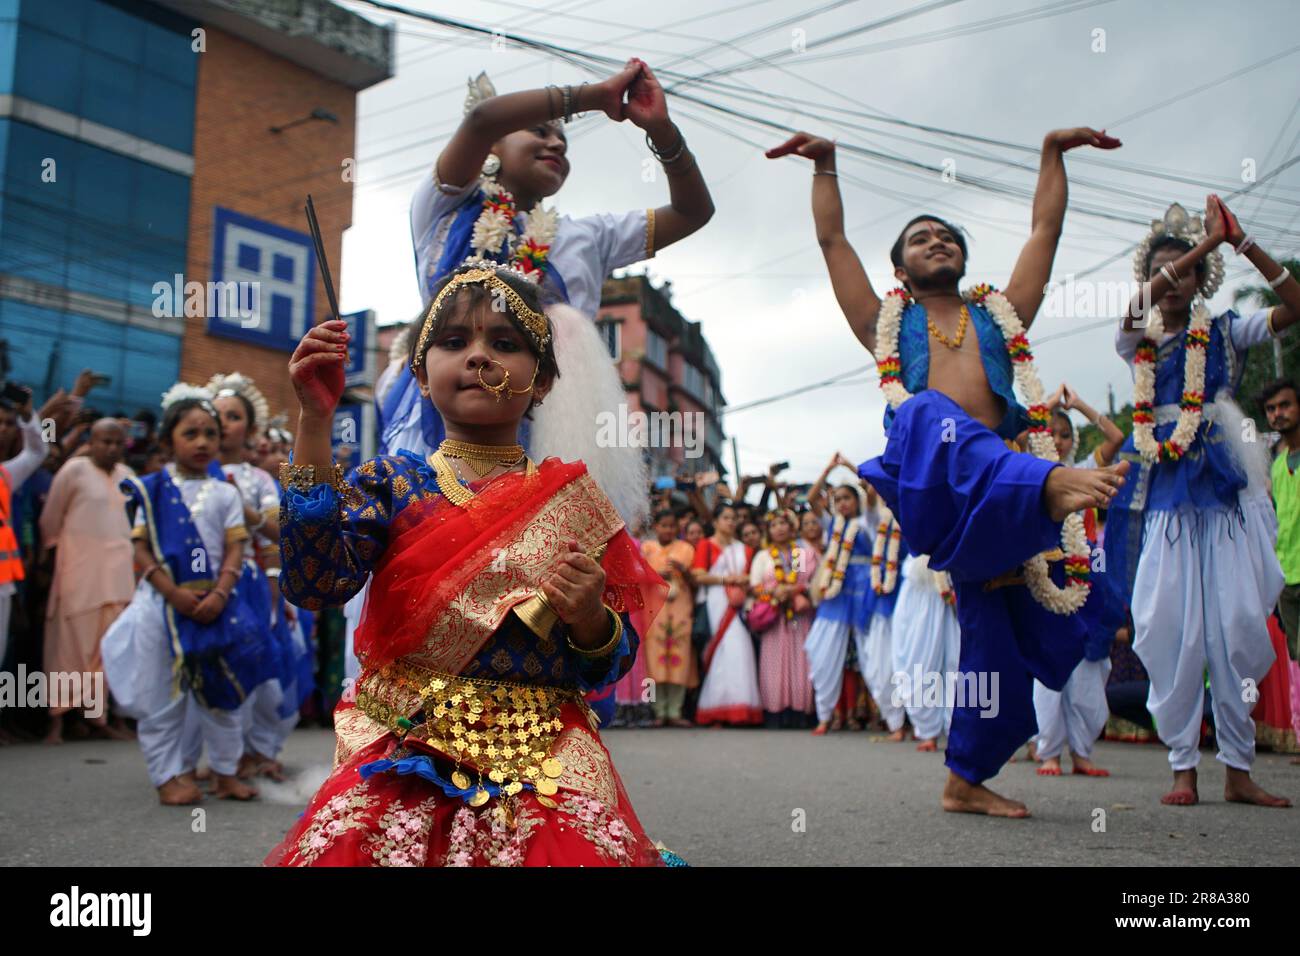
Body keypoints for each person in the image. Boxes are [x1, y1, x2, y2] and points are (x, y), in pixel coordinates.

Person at [772, 127, 1129, 817]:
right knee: (930, 413)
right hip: (935, 485)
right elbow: (832, 244)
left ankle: (963, 777)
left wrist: (1049, 152)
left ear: (963, 259)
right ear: (901, 269)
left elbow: (1044, 233)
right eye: (920, 238)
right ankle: (1051, 487)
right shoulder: (887, 320)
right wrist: (826, 166)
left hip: (999, 503)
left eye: (947, 236)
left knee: (997, 644)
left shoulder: (998, 317)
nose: (937, 241)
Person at [266, 265, 670, 866]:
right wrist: (314, 421)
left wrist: (590, 618)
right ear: (421, 378)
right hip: (409, 737)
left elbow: (612, 659)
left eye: (505, 344)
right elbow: (315, 582)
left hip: (545, 744)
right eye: (455, 343)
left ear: (543, 381)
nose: (479, 357)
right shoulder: (392, 484)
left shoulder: (575, 503)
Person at [392, 62, 713, 528]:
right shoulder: (443, 207)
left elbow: (693, 210)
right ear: (494, 146)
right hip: (442, 419)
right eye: (539, 131)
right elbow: (482, 119)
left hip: (552, 425)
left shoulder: (588, 237)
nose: (557, 142)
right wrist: (595, 96)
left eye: (563, 139)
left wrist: (661, 132)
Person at [1106, 196, 1299, 807]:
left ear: (1201, 281)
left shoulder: (1225, 331)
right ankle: (1183, 766)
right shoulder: (1134, 336)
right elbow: (1148, 297)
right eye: (1163, 272)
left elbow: (1297, 306)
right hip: (1164, 497)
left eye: (1184, 272)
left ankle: (1237, 768)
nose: (1172, 281)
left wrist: (1240, 243)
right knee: (1174, 630)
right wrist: (1204, 245)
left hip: (1222, 491)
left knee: (1236, 625)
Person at [101, 387, 269, 804]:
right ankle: (167, 777)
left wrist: (220, 592)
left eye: (210, 434)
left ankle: (226, 772)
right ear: (167, 439)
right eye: (190, 433)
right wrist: (173, 592)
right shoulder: (151, 490)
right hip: (161, 605)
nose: (202, 443)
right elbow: (139, 547)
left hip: (217, 604)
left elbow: (235, 545)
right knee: (163, 692)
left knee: (224, 690)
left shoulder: (227, 492)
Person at [205, 373, 306, 782]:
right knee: (203, 667)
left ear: (248, 428)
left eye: (232, 416)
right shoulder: (186, 475)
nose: (222, 423)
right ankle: (212, 760)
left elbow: (276, 530)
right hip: (196, 584)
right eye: (216, 414)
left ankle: (258, 751)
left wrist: (236, 501)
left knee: (260, 664)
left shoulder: (257, 479)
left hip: (248, 583)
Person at [1032, 388, 1126, 776]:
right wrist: (1049, 402)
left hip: (1088, 570)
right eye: (1050, 432)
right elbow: (1023, 432)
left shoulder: (1088, 468)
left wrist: (1080, 406)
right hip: (1049, 573)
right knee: (1051, 657)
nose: (1057, 439)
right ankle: (1049, 750)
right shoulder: (1035, 470)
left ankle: (1082, 751)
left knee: (1090, 662)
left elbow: (1116, 439)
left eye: (1064, 434)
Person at [40, 419, 135, 743]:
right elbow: (50, 520)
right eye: (104, 441)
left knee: (107, 652)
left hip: (119, 576)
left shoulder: (129, 477)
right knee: (67, 649)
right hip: (78, 571)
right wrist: (49, 558)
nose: (110, 448)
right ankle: (57, 720)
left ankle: (95, 718)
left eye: (116, 443)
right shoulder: (74, 470)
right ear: (91, 442)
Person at [804, 466, 875, 735]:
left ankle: (885, 717)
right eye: (838, 500)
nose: (811, 526)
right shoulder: (803, 548)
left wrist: (850, 467)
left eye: (847, 498)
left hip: (863, 588)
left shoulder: (867, 521)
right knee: (821, 652)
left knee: (870, 654)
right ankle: (826, 716)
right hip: (830, 592)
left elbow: (870, 493)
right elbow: (800, 575)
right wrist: (829, 469)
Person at [692, 501, 761, 726]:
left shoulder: (745, 549)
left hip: (738, 606)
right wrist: (726, 579)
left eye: (734, 518)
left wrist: (745, 581)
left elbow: (755, 577)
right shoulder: (705, 545)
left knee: (740, 650)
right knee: (719, 651)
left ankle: (741, 708)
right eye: (726, 518)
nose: (731, 522)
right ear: (715, 522)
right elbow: (698, 576)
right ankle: (716, 710)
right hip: (715, 602)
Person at [748, 508, 815, 727]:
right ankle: (774, 713)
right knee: (773, 664)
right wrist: (774, 594)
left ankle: (798, 712)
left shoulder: (799, 554)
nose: (779, 528)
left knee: (800, 663)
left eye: (782, 523)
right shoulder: (764, 556)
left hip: (797, 617)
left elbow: (802, 582)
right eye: (774, 525)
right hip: (773, 617)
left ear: (791, 526)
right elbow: (756, 587)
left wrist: (791, 592)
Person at [0, 390, 49, 672]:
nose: (3, 430)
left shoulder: (5, 475)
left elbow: (37, 450)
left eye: (8, 423)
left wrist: (29, 416)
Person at [890, 554, 959, 751]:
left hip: (953, 583)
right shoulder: (796, 549)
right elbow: (797, 569)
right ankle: (927, 729)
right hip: (920, 588)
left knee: (957, 662)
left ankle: (957, 729)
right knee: (918, 661)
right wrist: (796, 588)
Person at [640, 509, 698, 727]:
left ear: (678, 528)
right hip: (653, 611)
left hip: (680, 609)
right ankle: (655, 710)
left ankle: (674, 711)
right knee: (652, 660)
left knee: (680, 658)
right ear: (655, 527)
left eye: (672, 526)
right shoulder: (646, 548)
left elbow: (695, 580)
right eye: (663, 525)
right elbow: (639, 575)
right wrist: (656, 574)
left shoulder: (686, 549)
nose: (668, 530)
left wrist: (683, 570)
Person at [1263, 379, 1300, 661]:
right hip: (1287, 578)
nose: (1278, 413)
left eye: (1285, 405)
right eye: (1271, 409)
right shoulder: (1276, 464)